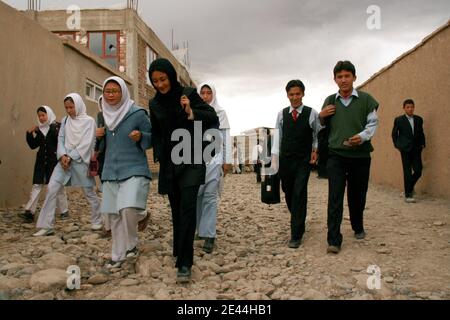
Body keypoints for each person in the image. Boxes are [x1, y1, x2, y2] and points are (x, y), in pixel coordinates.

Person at [148, 58, 219, 283]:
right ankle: (179, 248)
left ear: (171, 75)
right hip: (170, 164)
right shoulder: (154, 103)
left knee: (188, 209)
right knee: (176, 210)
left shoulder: (188, 93)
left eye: (163, 79)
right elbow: (157, 132)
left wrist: (190, 111)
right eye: (155, 80)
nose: (160, 84)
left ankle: (185, 263)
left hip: (191, 159)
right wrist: (158, 154)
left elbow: (212, 118)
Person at [319, 61, 379, 254]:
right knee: (335, 196)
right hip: (336, 155)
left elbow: (372, 124)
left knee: (357, 195)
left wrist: (361, 137)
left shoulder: (366, 100)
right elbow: (320, 128)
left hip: (360, 156)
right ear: (335, 79)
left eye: (347, 76)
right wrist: (321, 116)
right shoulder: (329, 101)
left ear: (354, 77)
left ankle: (357, 225)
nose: (343, 80)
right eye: (340, 77)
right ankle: (334, 239)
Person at [99, 76, 152, 269]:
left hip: (134, 166)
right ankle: (117, 255)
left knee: (127, 208)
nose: (111, 95)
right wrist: (98, 138)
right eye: (107, 91)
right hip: (110, 170)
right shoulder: (102, 115)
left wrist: (141, 137)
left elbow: (151, 138)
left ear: (123, 92)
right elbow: (100, 146)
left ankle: (132, 244)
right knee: (113, 214)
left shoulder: (137, 113)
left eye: (115, 91)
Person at [33, 94, 102, 236]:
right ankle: (47, 225)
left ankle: (97, 219)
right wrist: (63, 155)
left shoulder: (89, 122)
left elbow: (87, 143)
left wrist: (70, 156)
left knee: (89, 193)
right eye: (66, 108)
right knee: (52, 188)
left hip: (80, 161)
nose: (69, 110)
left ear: (78, 105)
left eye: (71, 107)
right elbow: (61, 139)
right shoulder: (65, 121)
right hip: (63, 162)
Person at [271, 80, 321, 248]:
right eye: (291, 94)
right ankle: (299, 217)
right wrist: (275, 158)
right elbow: (278, 137)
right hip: (286, 160)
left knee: (299, 192)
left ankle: (296, 234)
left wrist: (315, 149)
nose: (294, 97)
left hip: (303, 160)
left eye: (297, 94)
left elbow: (316, 134)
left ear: (303, 94)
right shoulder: (281, 114)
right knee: (288, 191)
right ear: (287, 95)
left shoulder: (311, 113)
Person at [196, 82, 232, 254]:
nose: (205, 96)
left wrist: (226, 160)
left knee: (209, 196)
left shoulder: (220, 113)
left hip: (214, 159)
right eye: (202, 93)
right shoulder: (192, 112)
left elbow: (225, 138)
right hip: (194, 159)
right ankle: (199, 229)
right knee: (196, 196)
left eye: (208, 93)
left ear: (213, 94)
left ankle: (209, 234)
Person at [21, 106, 68, 223]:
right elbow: (33, 145)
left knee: (59, 187)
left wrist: (64, 157)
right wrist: (29, 133)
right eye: (39, 116)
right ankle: (29, 211)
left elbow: (63, 143)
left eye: (43, 115)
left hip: (54, 162)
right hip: (41, 162)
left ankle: (64, 211)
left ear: (49, 114)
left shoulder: (56, 127)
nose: (41, 118)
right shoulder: (39, 130)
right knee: (37, 185)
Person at [392, 99, 425, 203]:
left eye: (412, 107)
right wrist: (397, 145)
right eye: (408, 107)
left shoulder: (419, 119)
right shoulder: (399, 120)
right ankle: (408, 195)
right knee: (407, 171)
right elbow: (394, 134)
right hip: (405, 149)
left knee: (418, 170)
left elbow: (421, 132)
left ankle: (409, 187)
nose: (410, 109)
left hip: (416, 149)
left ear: (414, 107)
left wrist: (423, 143)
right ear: (404, 108)